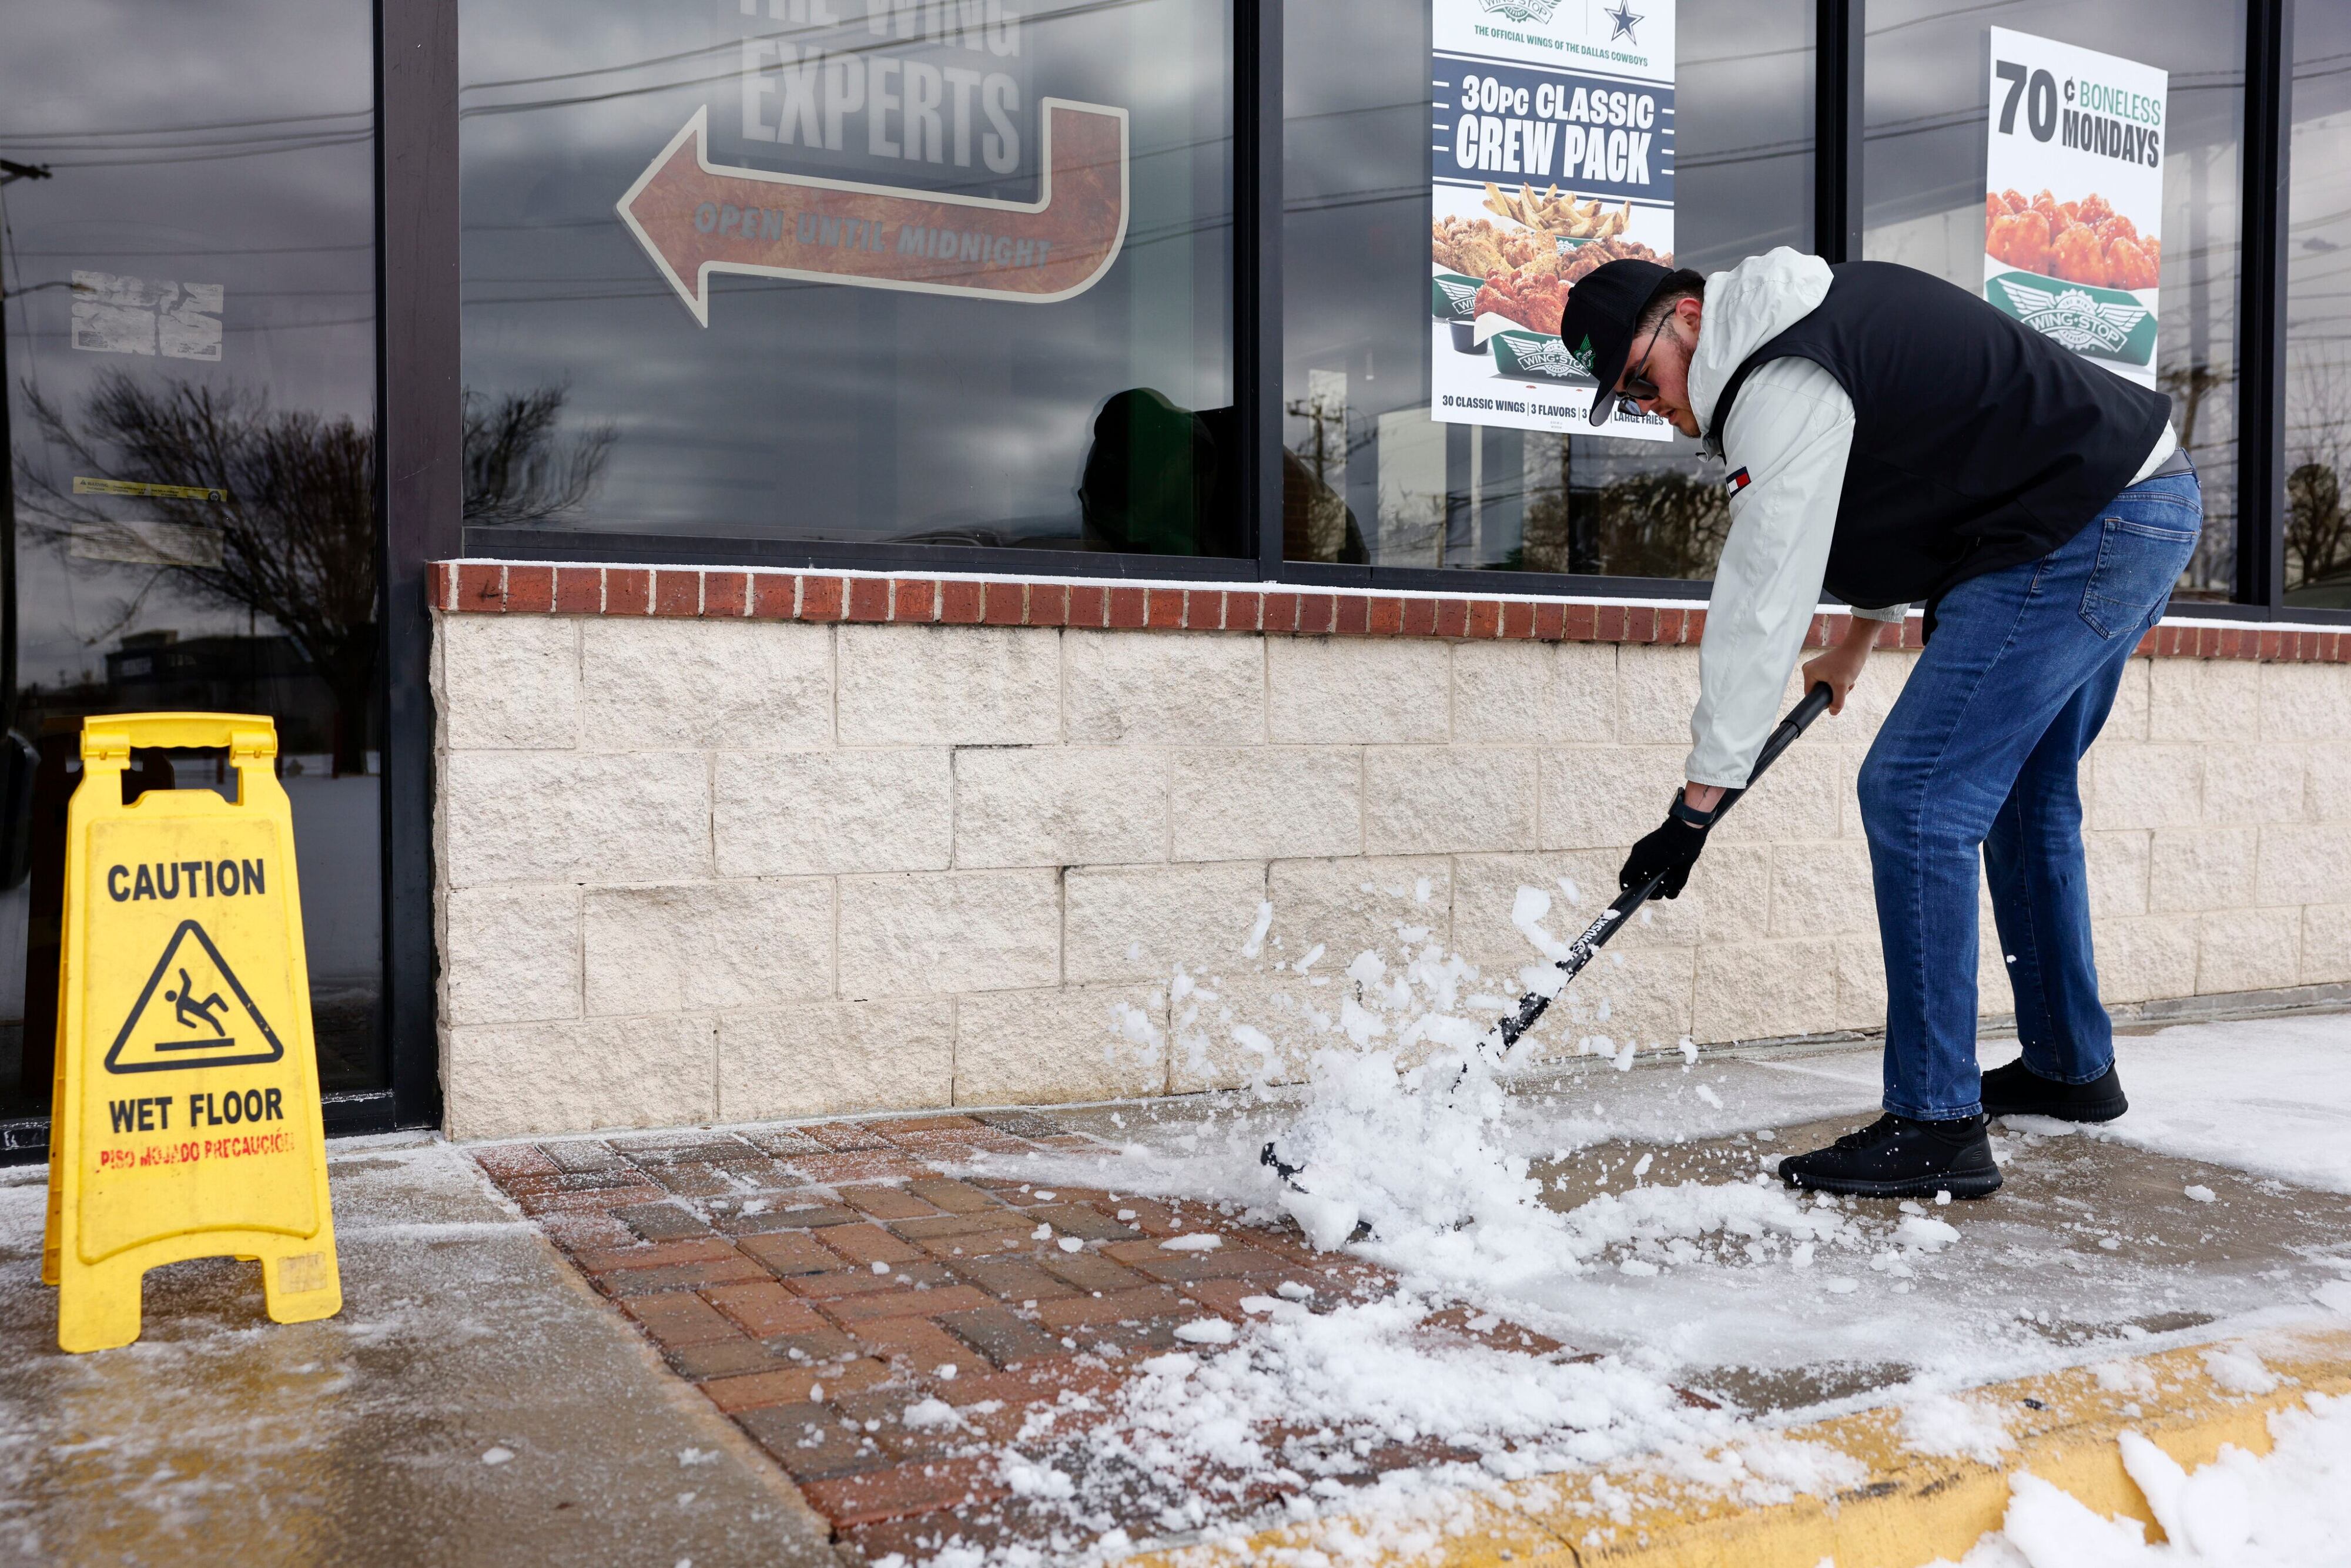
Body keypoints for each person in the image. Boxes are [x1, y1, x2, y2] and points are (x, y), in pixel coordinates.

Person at [1558, 248, 2197, 1200]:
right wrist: (1859, 641)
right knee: (2022, 794)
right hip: (2127, 506)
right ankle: (2070, 1068)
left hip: (2080, 530)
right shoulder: (1808, 332)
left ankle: (1936, 1124)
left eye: (1640, 380)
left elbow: (1763, 600)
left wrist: (1695, 806)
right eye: (1627, 400)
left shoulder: (1781, 376)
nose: (1652, 408)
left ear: (1686, 317)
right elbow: (1920, 480)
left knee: (1919, 793)